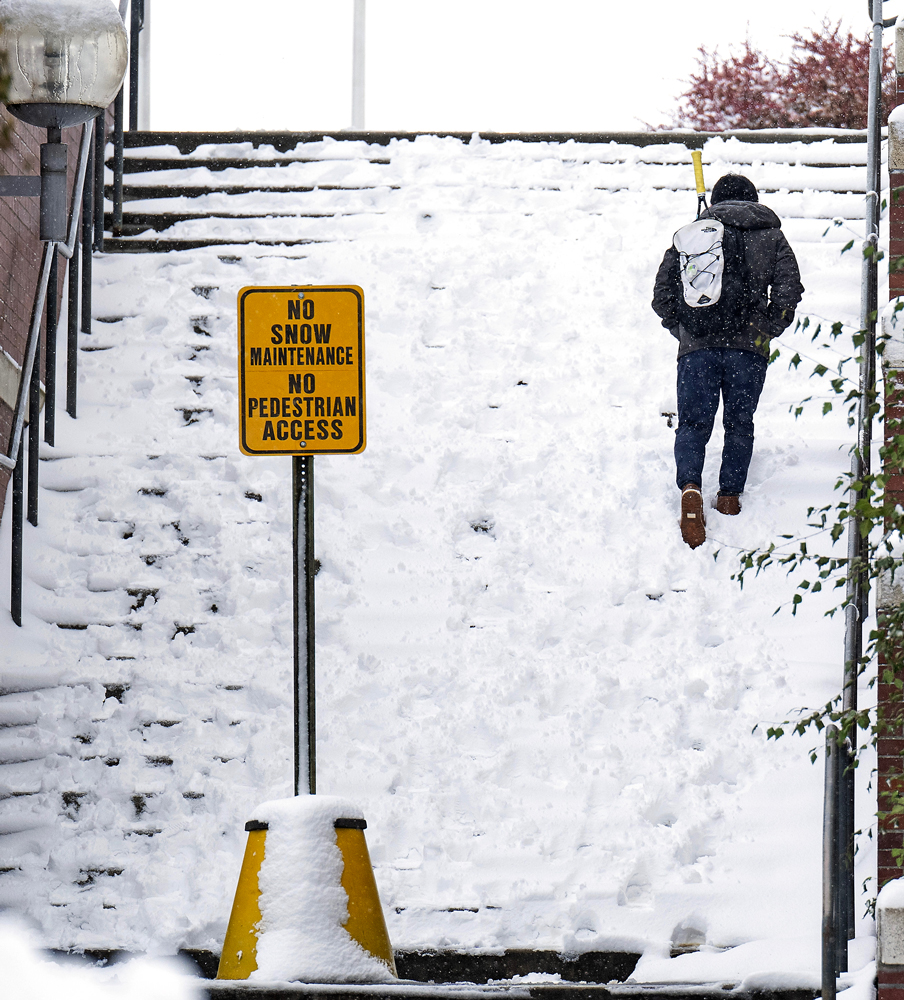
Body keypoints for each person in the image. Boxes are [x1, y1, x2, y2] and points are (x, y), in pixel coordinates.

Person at [651, 173, 804, 548]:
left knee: (692, 423)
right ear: (753, 199)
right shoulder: (772, 236)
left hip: (696, 349)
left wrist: (684, 330)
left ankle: (690, 486)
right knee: (739, 422)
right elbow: (789, 290)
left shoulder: (694, 233)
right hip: (747, 349)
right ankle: (730, 496)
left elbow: (662, 295)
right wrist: (766, 329)